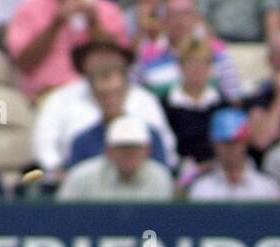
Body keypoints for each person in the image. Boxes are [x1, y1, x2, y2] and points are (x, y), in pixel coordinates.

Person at [34, 38, 175, 177]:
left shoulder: (146, 109)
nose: (104, 61)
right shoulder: (78, 134)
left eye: (110, 55)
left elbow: (165, 155)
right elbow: (46, 147)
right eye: (97, 55)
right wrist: (59, 173)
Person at [5, 0, 130, 99]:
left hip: (98, 98)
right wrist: (56, 23)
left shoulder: (106, 10)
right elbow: (23, 63)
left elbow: (120, 62)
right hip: (45, 97)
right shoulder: (29, 9)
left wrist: (94, 23)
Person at [136, 0, 242, 99]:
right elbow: (135, 95)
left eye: (185, 14)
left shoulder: (216, 50)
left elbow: (234, 97)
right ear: (163, 20)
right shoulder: (147, 54)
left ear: (196, 18)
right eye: (173, 15)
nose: (179, 21)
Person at [56, 114, 175, 200]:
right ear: (109, 151)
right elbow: (62, 217)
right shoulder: (81, 178)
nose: (129, 154)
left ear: (147, 150)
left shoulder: (160, 178)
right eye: (122, 148)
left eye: (135, 148)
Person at [186, 107, 280, 199]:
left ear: (246, 141)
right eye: (224, 142)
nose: (230, 148)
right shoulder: (201, 189)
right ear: (214, 143)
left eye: (235, 141)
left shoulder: (267, 187)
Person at [162, 38, 225, 172]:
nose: (197, 69)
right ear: (180, 66)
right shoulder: (165, 106)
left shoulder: (223, 104)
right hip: (178, 172)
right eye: (190, 62)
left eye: (202, 63)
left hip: (217, 171)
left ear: (210, 67)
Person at [198, 0, 280, 43]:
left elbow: (273, 13)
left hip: (254, 44)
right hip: (217, 44)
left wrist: (273, 48)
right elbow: (199, 15)